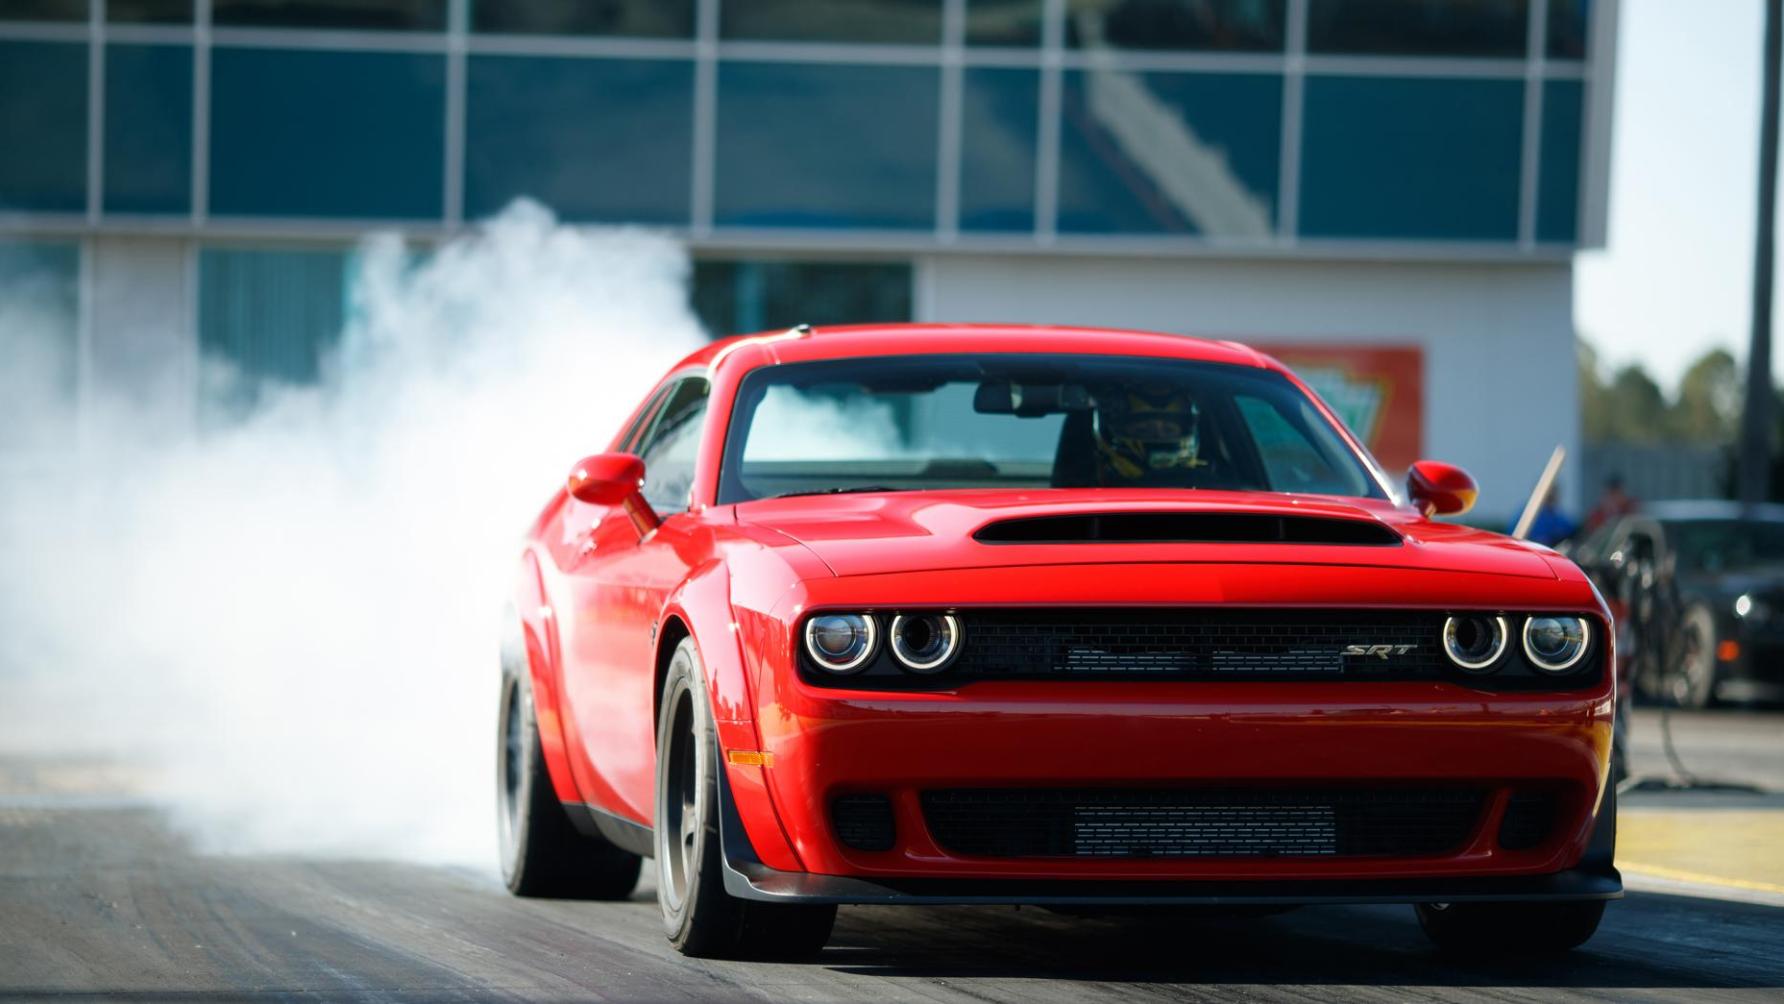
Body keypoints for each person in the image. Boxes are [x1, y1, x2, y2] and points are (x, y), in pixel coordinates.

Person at [1507, 483, 1577, 546]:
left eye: (1554, 493)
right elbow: (1516, 537)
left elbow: (1570, 532)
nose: (1552, 496)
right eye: (1549, 494)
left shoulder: (1558, 515)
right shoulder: (1526, 513)